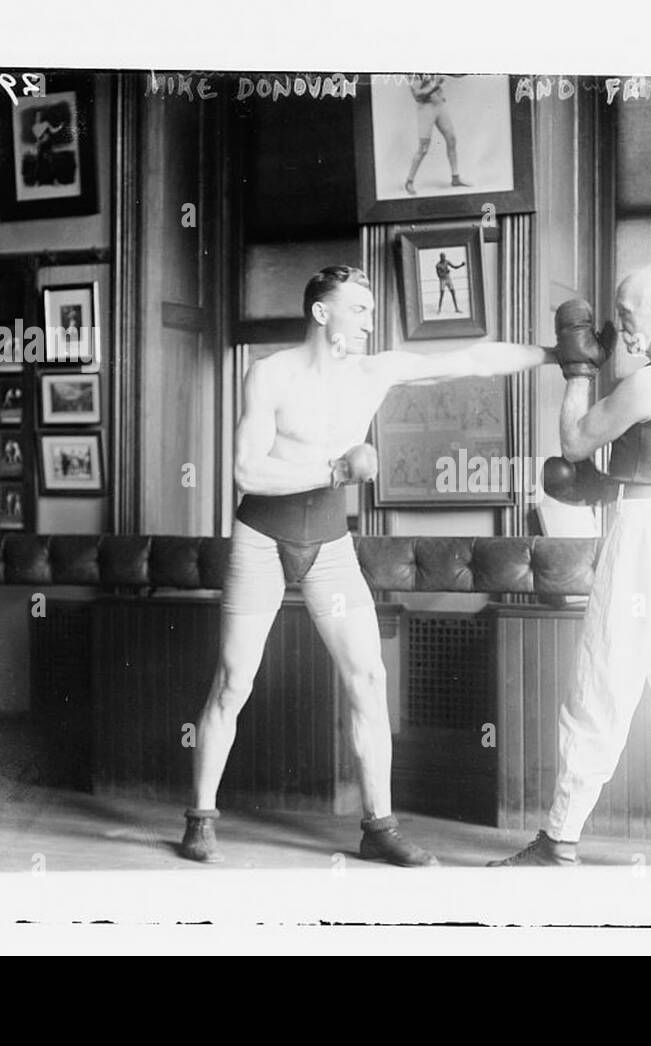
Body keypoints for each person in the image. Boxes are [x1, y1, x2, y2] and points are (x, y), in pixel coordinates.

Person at [182, 265, 550, 866]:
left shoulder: (374, 373)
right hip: (261, 539)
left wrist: (555, 353)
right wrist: (335, 471)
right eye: (358, 309)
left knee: (368, 678)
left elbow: (474, 359)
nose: (368, 322)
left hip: (329, 544)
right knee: (234, 680)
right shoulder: (269, 374)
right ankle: (200, 816)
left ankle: (378, 826)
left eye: (372, 313)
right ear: (321, 312)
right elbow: (248, 473)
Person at [489, 264, 651, 868]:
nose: (619, 328)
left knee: (601, 679)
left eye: (628, 315)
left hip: (648, 538)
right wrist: (604, 488)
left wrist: (577, 368)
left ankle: (558, 840)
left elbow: (575, 440)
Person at [403, 74, 469, 196]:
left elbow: (454, 73)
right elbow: (418, 95)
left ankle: (455, 177)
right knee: (423, 148)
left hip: (439, 105)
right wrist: (435, 85)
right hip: (426, 109)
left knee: (451, 139)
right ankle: (409, 181)